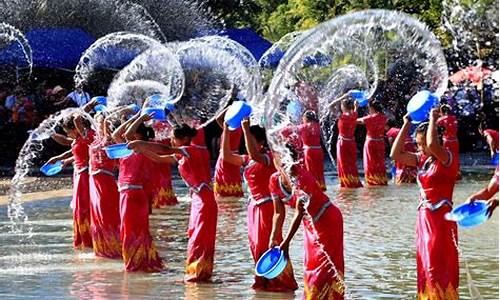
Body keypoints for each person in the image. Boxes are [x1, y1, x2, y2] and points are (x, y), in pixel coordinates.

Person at [129, 123, 217, 282]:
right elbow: (159, 158)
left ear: (184, 139)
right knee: (193, 236)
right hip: (198, 200)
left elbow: (166, 150)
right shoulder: (182, 154)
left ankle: (198, 274)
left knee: (200, 238)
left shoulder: (192, 150)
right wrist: (142, 150)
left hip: (205, 201)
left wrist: (141, 143)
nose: (171, 140)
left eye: (174, 138)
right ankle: (196, 273)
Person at [221, 118, 298, 292]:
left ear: (261, 142)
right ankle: (263, 282)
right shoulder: (247, 159)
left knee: (269, 244)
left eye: (251, 140)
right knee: (255, 246)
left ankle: (280, 282)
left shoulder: (269, 158)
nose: (247, 143)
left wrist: (246, 129)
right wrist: (226, 130)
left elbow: (256, 155)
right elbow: (226, 156)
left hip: (267, 207)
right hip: (253, 208)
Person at [390, 109, 459, 299]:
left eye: (422, 145)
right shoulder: (422, 160)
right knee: (426, 264)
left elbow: (431, 143)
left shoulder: (447, 158)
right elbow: (395, 154)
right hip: (424, 219)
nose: (420, 148)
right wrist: (406, 124)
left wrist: (432, 120)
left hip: (441, 221)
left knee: (437, 265)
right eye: (418, 145)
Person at [269, 147, 344, 299]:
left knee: (324, 269)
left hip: (328, 220)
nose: (282, 164)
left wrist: (286, 242)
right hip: (310, 225)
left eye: (285, 160)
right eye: (278, 159)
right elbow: (278, 213)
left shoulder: (302, 178)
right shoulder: (273, 181)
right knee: (311, 266)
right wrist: (273, 237)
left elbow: (299, 213)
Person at [111, 113, 164, 272]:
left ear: (138, 135)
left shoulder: (139, 147)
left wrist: (140, 118)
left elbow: (123, 134)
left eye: (132, 132)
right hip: (128, 194)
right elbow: (115, 135)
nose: (127, 136)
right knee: (131, 230)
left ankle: (135, 264)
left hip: (132, 194)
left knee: (131, 230)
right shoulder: (128, 149)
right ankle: (139, 262)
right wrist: (135, 118)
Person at [47, 113, 94, 249]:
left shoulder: (87, 136)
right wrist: (63, 159)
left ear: (76, 129)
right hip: (78, 175)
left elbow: (77, 120)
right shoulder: (79, 139)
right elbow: (76, 152)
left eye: (68, 131)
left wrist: (76, 112)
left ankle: (89, 240)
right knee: (78, 209)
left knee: (84, 209)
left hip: (85, 176)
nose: (68, 134)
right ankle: (82, 240)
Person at [88, 111, 121, 258]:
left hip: (105, 180)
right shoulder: (95, 140)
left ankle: (113, 247)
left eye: (102, 123)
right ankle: (102, 248)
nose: (99, 125)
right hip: (93, 180)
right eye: (97, 122)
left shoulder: (109, 140)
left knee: (106, 213)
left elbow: (108, 138)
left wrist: (107, 121)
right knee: (97, 214)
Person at [214, 108, 244, 198]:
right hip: (229, 156)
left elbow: (218, 118)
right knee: (231, 182)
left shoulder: (232, 127)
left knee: (225, 183)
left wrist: (229, 107)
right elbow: (218, 119)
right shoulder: (234, 126)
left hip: (228, 156)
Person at [334, 97, 362, 188]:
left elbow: (330, 106)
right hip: (351, 142)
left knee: (343, 163)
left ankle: (346, 184)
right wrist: (356, 106)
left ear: (343, 106)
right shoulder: (354, 114)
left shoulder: (342, 116)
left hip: (343, 143)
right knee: (351, 163)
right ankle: (354, 182)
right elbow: (355, 109)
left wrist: (342, 97)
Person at [357, 100, 388, 186]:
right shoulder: (384, 117)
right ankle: (381, 181)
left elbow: (355, 121)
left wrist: (355, 109)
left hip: (371, 143)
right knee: (380, 163)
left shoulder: (370, 118)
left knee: (370, 163)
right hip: (380, 142)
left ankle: (372, 182)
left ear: (371, 108)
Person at [298, 110, 326, 190]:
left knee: (310, 171)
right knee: (319, 171)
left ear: (306, 118)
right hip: (319, 150)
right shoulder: (317, 125)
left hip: (309, 151)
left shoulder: (303, 127)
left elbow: (287, 131)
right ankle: (322, 188)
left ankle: (312, 189)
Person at [437, 104, 460, 180]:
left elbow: (435, 127)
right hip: (455, 140)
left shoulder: (441, 120)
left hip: (446, 140)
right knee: (455, 157)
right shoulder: (454, 118)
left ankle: (447, 173)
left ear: (441, 112)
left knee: (446, 157)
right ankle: (457, 173)